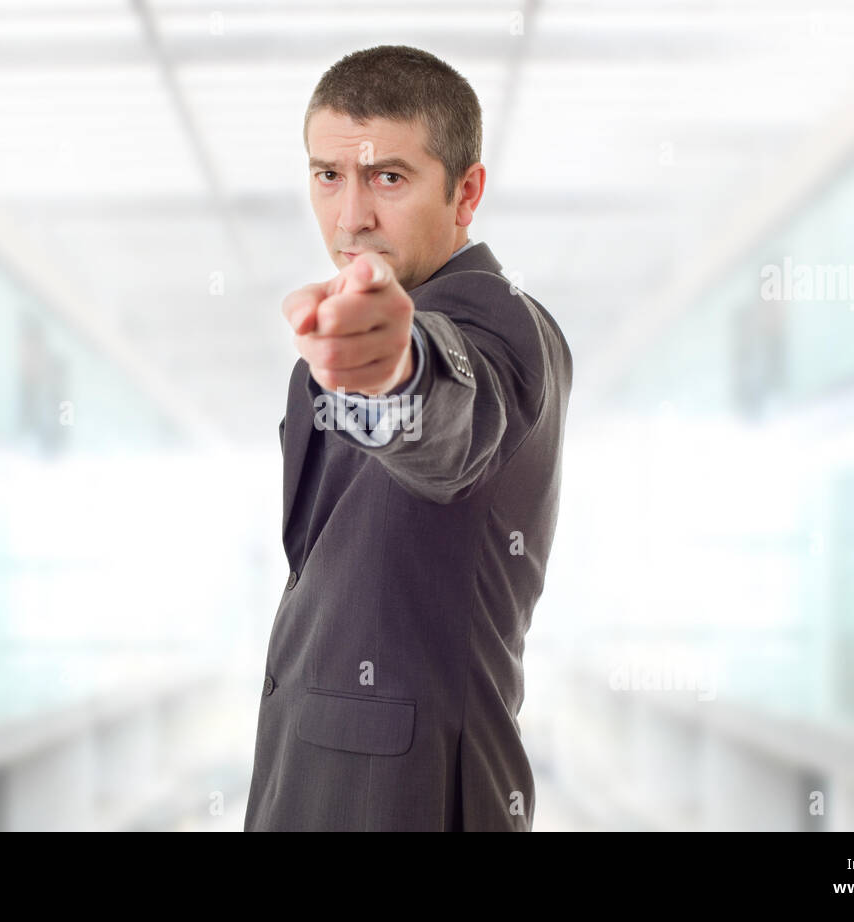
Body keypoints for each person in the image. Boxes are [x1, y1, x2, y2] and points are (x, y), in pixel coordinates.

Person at [244, 44, 573, 831]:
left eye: (388, 177)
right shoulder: (336, 335)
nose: (350, 215)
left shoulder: (497, 322)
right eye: (328, 175)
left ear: (466, 193)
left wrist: (391, 373)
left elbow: (450, 417)